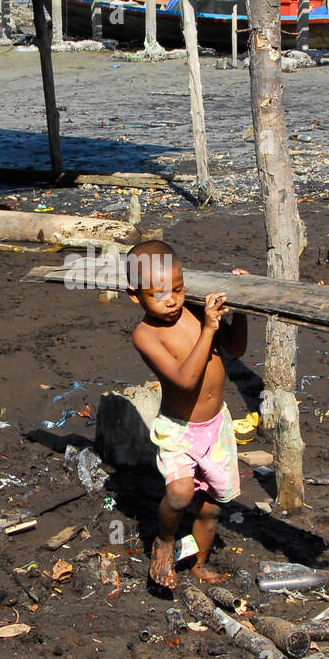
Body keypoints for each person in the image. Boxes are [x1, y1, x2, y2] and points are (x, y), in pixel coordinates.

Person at [126, 240, 248, 590]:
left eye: (178, 289)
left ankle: (200, 563)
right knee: (179, 495)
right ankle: (165, 539)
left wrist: (240, 307)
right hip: (179, 430)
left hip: (216, 426)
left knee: (211, 506)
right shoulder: (146, 335)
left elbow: (235, 348)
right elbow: (185, 379)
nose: (172, 300)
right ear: (135, 296)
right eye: (159, 293)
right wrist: (208, 329)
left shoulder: (195, 310)